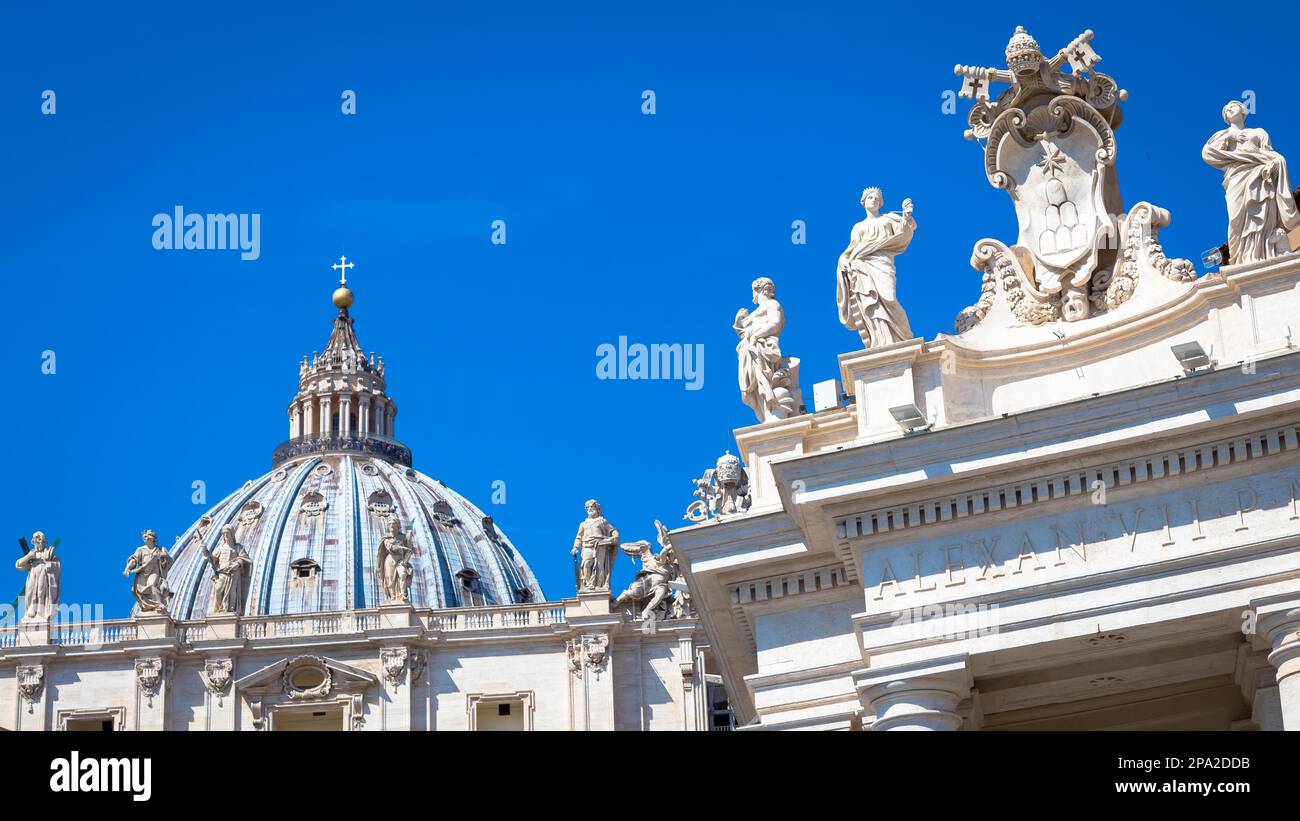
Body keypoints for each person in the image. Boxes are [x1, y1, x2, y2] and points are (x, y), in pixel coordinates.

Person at [1202, 101, 1298, 265]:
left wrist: (1274, 163)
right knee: (1236, 218)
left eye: (1233, 106)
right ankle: (1239, 257)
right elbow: (1208, 153)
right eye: (1226, 110)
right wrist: (1230, 136)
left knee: (1261, 213)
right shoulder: (1222, 135)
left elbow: (1270, 154)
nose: (1229, 109)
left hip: (1259, 175)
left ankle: (1263, 252)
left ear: (1243, 110)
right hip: (1236, 177)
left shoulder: (1258, 132)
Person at [837, 188, 916, 348]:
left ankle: (904, 337)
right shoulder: (858, 227)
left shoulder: (888, 219)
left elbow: (905, 234)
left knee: (889, 298)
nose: (873, 200)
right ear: (863, 202)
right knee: (870, 303)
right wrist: (843, 260)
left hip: (882, 262)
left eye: (876, 198)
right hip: (861, 265)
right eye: (870, 197)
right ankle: (879, 340)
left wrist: (906, 216)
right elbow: (851, 250)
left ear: (880, 203)